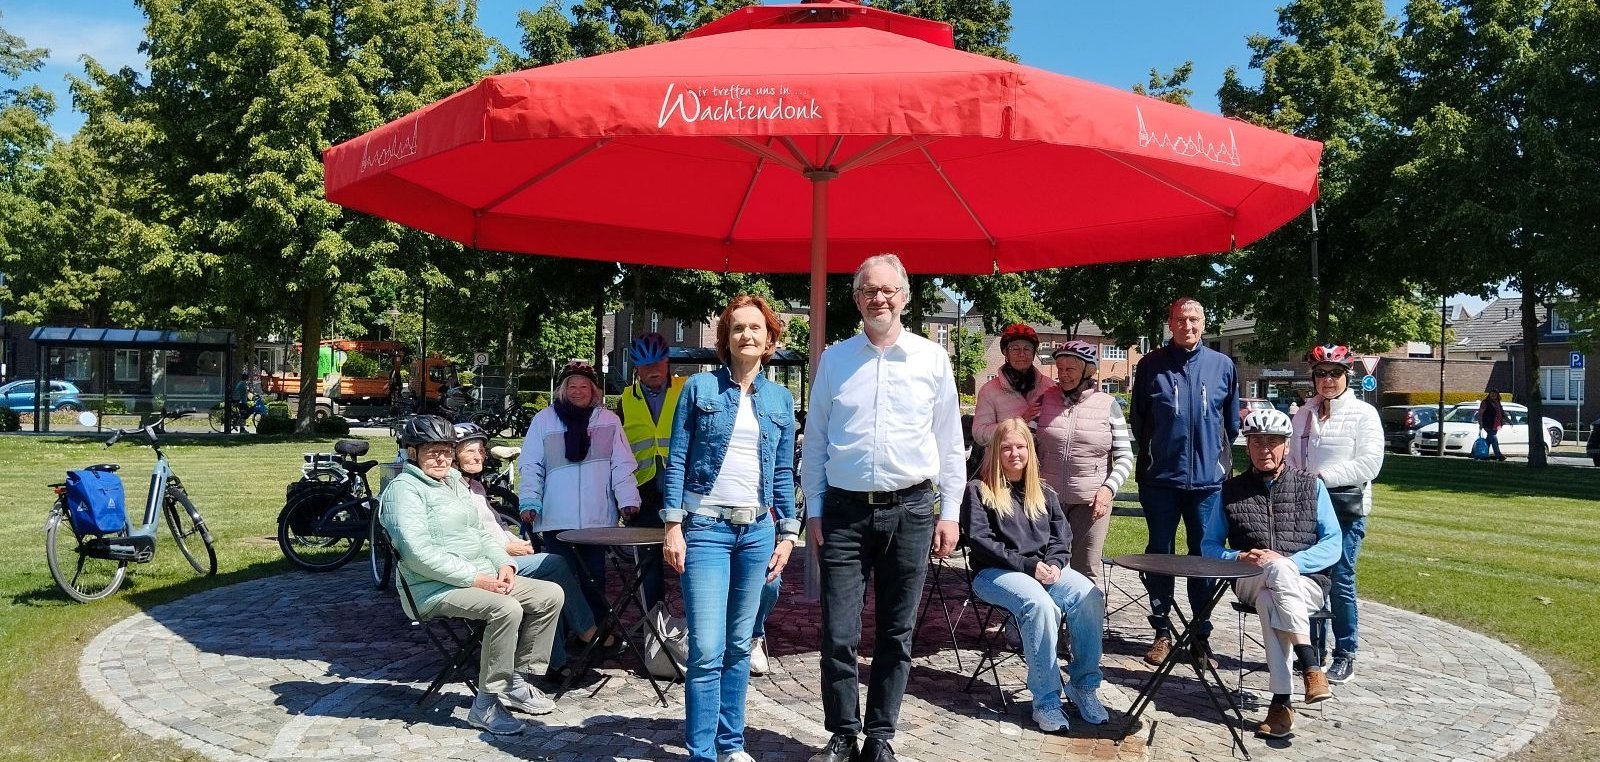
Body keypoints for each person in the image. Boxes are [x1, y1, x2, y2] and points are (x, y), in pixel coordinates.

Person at [802, 253, 965, 762]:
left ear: (905, 297)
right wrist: (814, 509)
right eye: (869, 291)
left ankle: (880, 737)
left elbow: (949, 440)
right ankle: (844, 732)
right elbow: (816, 440)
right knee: (839, 629)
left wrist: (951, 511)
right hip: (846, 512)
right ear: (856, 299)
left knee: (897, 629)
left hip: (913, 510)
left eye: (888, 290)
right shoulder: (835, 359)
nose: (879, 298)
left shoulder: (931, 359)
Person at [660, 295, 799, 762]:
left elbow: (783, 472)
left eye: (756, 328)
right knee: (706, 648)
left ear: (769, 338)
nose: (747, 335)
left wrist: (788, 533)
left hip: (757, 531)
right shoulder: (699, 389)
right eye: (738, 327)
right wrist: (673, 524)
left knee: (740, 645)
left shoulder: (781, 399)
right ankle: (701, 752)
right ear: (726, 337)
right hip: (705, 530)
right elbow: (676, 459)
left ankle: (730, 745)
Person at [379, 415, 563, 735]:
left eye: (446, 450)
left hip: (479, 576)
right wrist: (477, 579)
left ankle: (515, 678)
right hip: (431, 588)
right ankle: (486, 704)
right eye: (431, 450)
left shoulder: (453, 482)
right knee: (505, 609)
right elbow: (418, 555)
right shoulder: (403, 491)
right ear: (412, 453)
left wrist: (505, 565)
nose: (441, 458)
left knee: (550, 595)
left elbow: (480, 534)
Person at [963, 417, 1109, 731]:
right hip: (995, 573)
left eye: (1020, 446)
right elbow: (980, 540)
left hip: (1045, 570)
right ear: (995, 452)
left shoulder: (1044, 491)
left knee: (1089, 596)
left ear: (1030, 450)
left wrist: (1055, 564)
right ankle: (1046, 702)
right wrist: (1029, 567)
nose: (1014, 453)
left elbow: (1062, 536)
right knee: (1039, 605)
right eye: (1006, 448)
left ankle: (1083, 686)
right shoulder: (978, 490)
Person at [1202, 409, 1339, 739]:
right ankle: (1310, 664)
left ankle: (1281, 702)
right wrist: (1238, 555)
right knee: (1270, 574)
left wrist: (1293, 563)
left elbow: (1334, 543)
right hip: (1250, 577)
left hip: (1306, 583)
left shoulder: (1311, 487)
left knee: (1271, 595)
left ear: (1286, 447)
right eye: (1257, 441)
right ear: (1246, 447)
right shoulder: (1230, 490)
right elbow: (1209, 546)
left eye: (1274, 442)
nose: (1265, 448)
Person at [453, 422, 621, 675]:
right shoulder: (453, 490)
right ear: (453, 454)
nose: (479, 456)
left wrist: (513, 542)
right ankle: (585, 631)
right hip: (482, 564)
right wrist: (508, 548)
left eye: (481, 451)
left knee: (550, 586)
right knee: (553, 565)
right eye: (470, 451)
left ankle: (556, 661)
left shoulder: (475, 487)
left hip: (500, 556)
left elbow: (494, 526)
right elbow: (468, 535)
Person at [1130, 296, 1239, 666]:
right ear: (1170, 323)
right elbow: (1139, 420)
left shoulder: (1222, 365)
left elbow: (1231, 424)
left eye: (1194, 319)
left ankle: (1199, 634)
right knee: (1160, 555)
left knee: (1203, 558)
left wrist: (1214, 459)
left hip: (1208, 484)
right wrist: (1157, 454)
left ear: (1204, 323)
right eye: (1180, 319)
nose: (1187, 326)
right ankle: (1161, 631)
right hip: (1161, 480)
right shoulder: (1150, 366)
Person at [1289, 344, 1384, 684]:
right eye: (1321, 374)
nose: (1328, 380)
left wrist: (1324, 478)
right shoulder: (1303, 414)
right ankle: (1312, 650)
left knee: (1341, 578)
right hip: (1307, 509)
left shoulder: (1363, 414)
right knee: (1310, 578)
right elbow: (1291, 459)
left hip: (1344, 509)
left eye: (1335, 374)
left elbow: (1370, 463)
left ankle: (1346, 652)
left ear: (1347, 376)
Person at [518, 361, 641, 620]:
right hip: (556, 517)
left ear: (594, 390)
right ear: (562, 389)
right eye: (571, 385)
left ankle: (596, 631)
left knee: (594, 577)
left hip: (596, 518)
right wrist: (529, 500)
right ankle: (561, 632)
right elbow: (531, 465)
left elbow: (622, 465)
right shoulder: (544, 420)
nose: (578, 391)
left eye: (584, 386)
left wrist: (628, 499)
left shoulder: (609, 421)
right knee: (558, 578)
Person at [1034, 340, 1134, 583]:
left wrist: (1107, 490)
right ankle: (1048, 620)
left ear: (1087, 371)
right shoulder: (1045, 401)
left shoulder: (1108, 405)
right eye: (1060, 369)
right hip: (1048, 501)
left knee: (1085, 571)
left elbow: (1124, 457)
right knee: (1045, 568)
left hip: (1090, 504)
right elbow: (1026, 445)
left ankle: (1080, 621)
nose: (1063, 375)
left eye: (1070, 369)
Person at [618, 331, 685, 612]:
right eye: (645, 366)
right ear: (637, 369)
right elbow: (618, 451)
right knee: (648, 565)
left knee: (690, 561)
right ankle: (655, 624)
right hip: (643, 490)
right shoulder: (626, 399)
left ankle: (694, 623)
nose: (653, 370)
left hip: (682, 488)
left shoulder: (685, 390)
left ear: (667, 361)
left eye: (657, 363)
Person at [972, 324, 1051, 444]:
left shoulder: (1049, 386)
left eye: (1027, 349)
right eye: (1015, 349)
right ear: (1005, 353)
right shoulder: (989, 390)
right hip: (1005, 460)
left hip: (1041, 461)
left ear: (1034, 353)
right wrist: (1019, 423)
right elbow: (979, 434)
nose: (1021, 354)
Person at [1477, 389, 1507, 460]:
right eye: (1491, 394)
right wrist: (1480, 423)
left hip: (1497, 425)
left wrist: (1508, 420)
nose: (1493, 395)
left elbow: (1502, 413)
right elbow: (1480, 414)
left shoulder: (1498, 402)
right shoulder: (1485, 402)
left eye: (1495, 394)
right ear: (1489, 395)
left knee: (1489, 439)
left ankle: (1484, 455)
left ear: (1497, 395)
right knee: (1493, 438)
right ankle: (1498, 455)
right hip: (1488, 424)